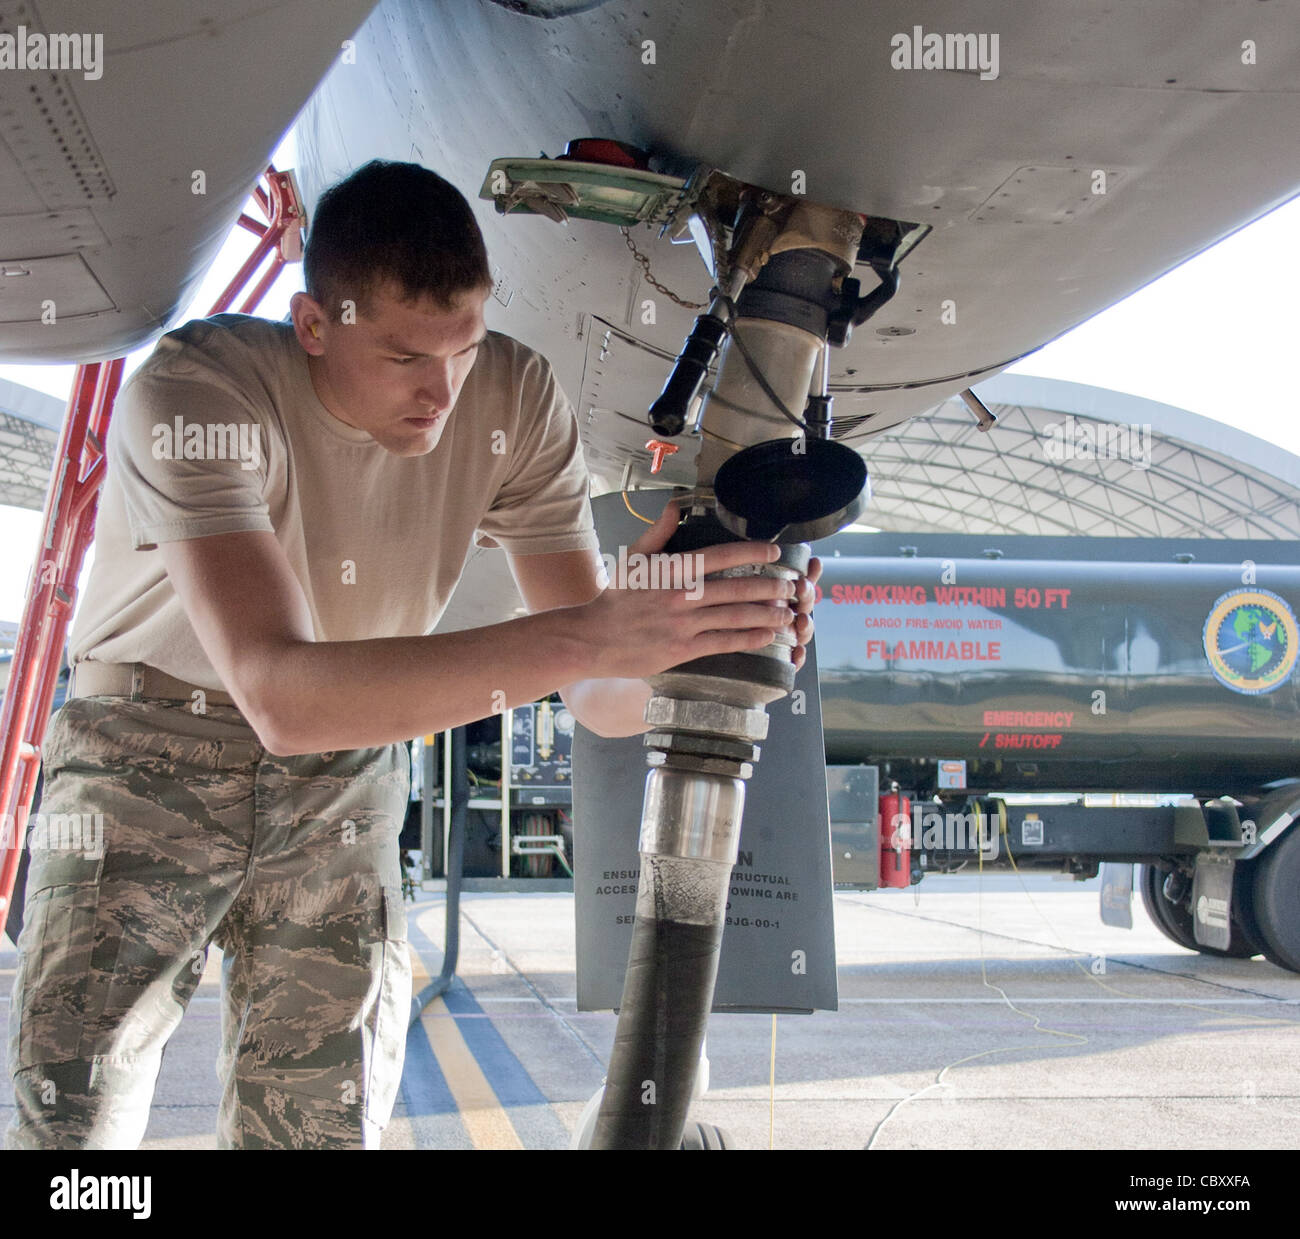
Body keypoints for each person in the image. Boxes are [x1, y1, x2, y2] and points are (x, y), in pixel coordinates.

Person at [4, 159, 819, 1150]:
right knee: (78, 1123)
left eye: (462, 349)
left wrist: (691, 646)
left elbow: (597, 697)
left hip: (346, 771)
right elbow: (280, 695)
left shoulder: (510, 398)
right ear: (313, 327)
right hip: (152, 750)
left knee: (323, 1128)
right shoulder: (199, 389)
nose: (439, 393)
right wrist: (594, 629)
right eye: (399, 358)